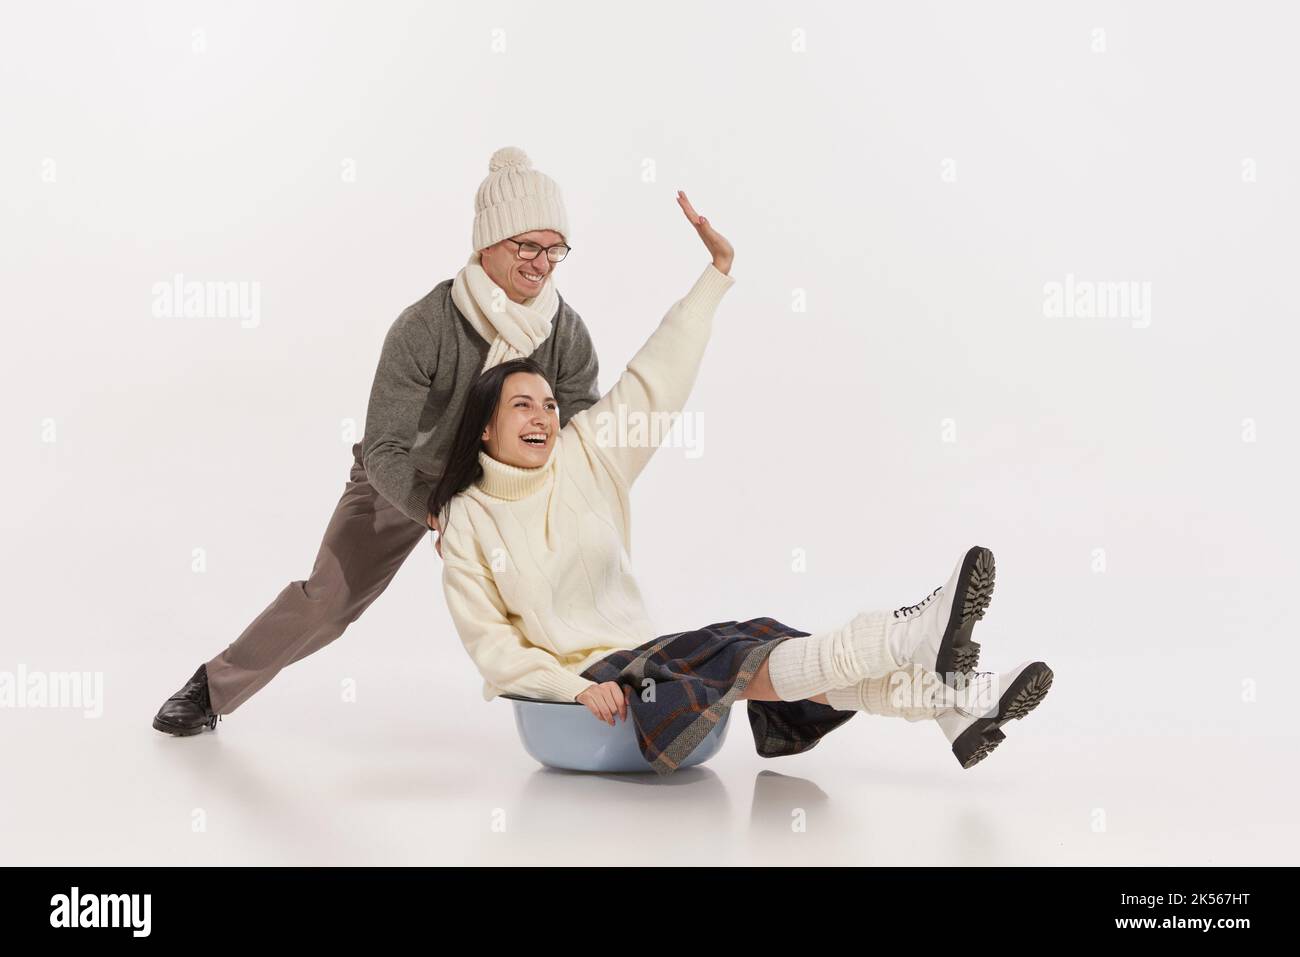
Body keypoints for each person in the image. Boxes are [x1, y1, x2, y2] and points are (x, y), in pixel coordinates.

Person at [431, 191, 1054, 775]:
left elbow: (655, 379)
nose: (542, 416)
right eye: (522, 407)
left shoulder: (585, 457)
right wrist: (574, 688)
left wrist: (715, 275)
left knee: (751, 639)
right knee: (729, 655)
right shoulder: (468, 519)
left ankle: (957, 702)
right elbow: (495, 649)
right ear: (485, 428)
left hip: (644, 653)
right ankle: (905, 637)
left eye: (547, 404)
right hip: (590, 683)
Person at [152, 146, 603, 735]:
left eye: (554, 249)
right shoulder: (426, 326)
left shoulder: (564, 331)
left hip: (508, 485)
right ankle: (212, 688)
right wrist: (437, 511)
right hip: (407, 476)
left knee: (576, 585)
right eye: (527, 246)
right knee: (329, 602)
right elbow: (386, 447)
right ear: (489, 242)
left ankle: (599, 706)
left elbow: (582, 433)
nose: (542, 263)